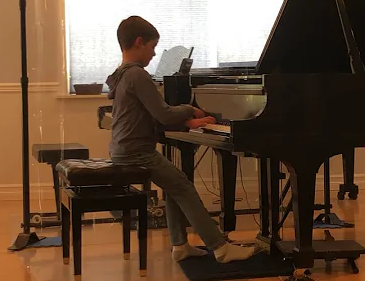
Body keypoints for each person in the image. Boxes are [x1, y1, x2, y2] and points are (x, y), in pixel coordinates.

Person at [106, 15, 256, 263]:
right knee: (183, 187)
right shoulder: (138, 75)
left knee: (174, 185)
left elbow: (147, 115)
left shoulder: (121, 75)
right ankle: (220, 247)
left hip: (123, 149)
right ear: (139, 42)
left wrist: (187, 123)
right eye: (152, 48)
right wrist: (189, 109)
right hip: (137, 152)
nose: (154, 55)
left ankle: (180, 245)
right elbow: (163, 114)